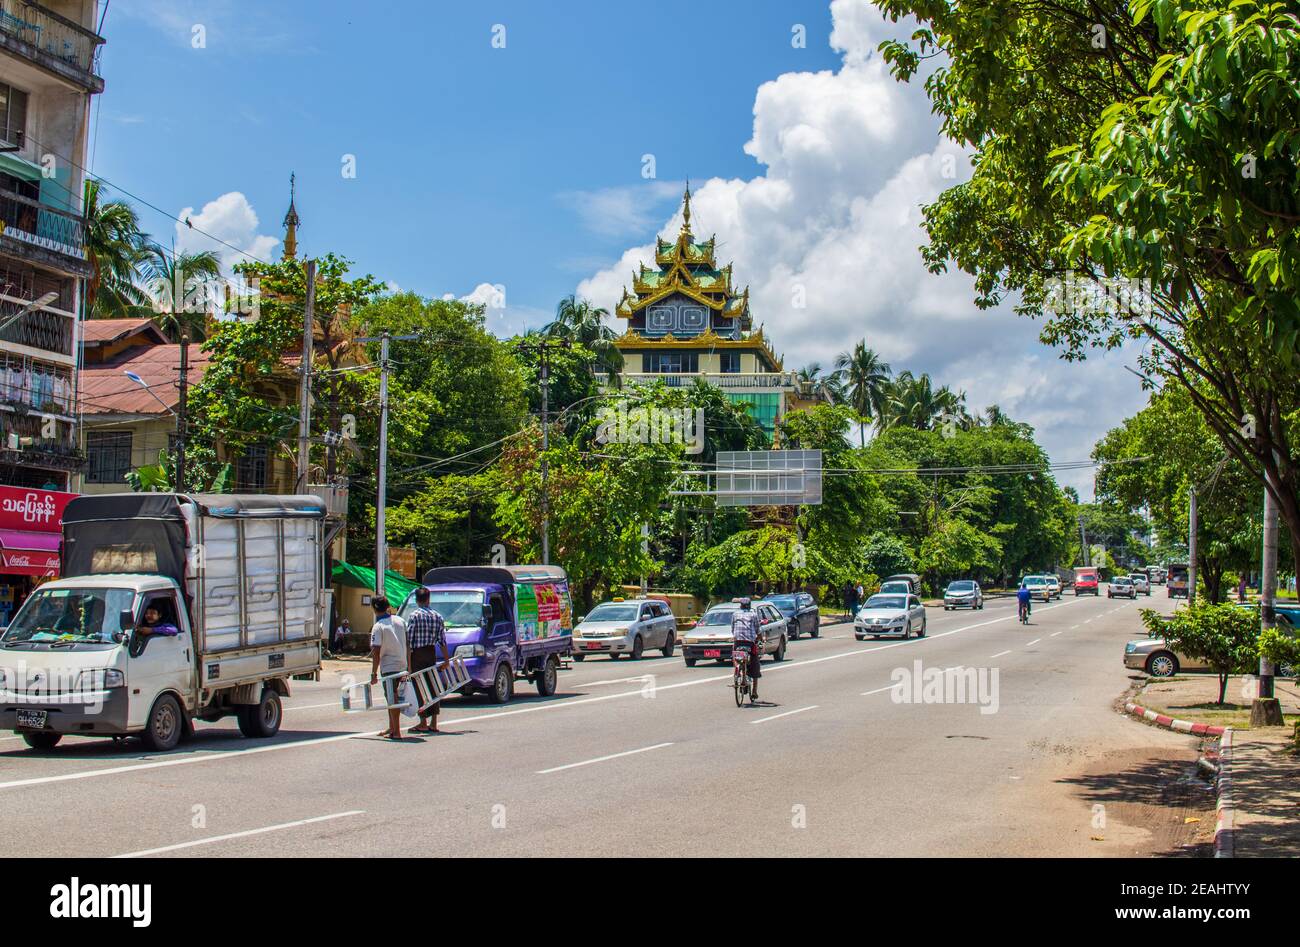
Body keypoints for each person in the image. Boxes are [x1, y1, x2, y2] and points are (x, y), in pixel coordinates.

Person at [405, 588, 448, 734]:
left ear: (416, 600)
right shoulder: (438, 616)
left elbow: (409, 642)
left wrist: (409, 665)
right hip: (431, 653)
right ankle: (434, 722)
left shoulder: (414, 615)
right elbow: (442, 641)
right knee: (433, 686)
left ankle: (423, 722)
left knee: (419, 688)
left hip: (417, 655)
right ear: (429, 599)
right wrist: (446, 660)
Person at [369, 597, 408, 740]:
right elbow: (409, 645)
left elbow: (376, 652)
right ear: (388, 607)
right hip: (403, 665)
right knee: (393, 698)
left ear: (373, 608)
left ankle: (396, 731)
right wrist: (408, 665)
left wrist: (373, 673)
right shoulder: (400, 621)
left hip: (389, 668)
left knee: (392, 699)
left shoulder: (378, 626)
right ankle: (392, 727)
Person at [731, 597, 763, 699]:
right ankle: (754, 691)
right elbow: (758, 630)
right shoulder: (753, 614)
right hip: (749, 643)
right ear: (749, 605)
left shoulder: (735, 614)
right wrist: (760, 639)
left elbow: (732, 629)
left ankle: (738, 670)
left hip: (738, 642)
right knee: (755, 664)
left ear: (740, 605)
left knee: (736, 657)